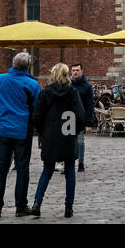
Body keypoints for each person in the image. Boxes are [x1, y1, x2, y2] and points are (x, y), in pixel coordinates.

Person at [0, 51, 42, 218]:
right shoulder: (32, 84)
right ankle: (21, 206)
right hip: (22, 131)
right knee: (22, 169)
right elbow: (37, 110)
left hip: (3, 130)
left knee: (0, 170)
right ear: (28, 66)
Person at [30, 62, 86, 218]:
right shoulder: (72, 92)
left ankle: (37, 203)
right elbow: (80, 115)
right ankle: (69, 206)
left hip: (50, 136)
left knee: (47, 171)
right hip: (68, 135)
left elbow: (37, 117)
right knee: (70, 171)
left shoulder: (45, 93)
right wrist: (76, 131)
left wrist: (41, 133)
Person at [70, 63, 95, 173]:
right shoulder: (68, 84)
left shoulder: (87, 86)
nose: (75, 72)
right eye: (73, 70)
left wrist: (89, 123)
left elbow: (90, 105)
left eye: (77, 70)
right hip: (68, 118)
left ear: (82, 71)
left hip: (80, 118)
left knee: (80, 142)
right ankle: (68, 162)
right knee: (69, 142)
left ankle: (80, 162)